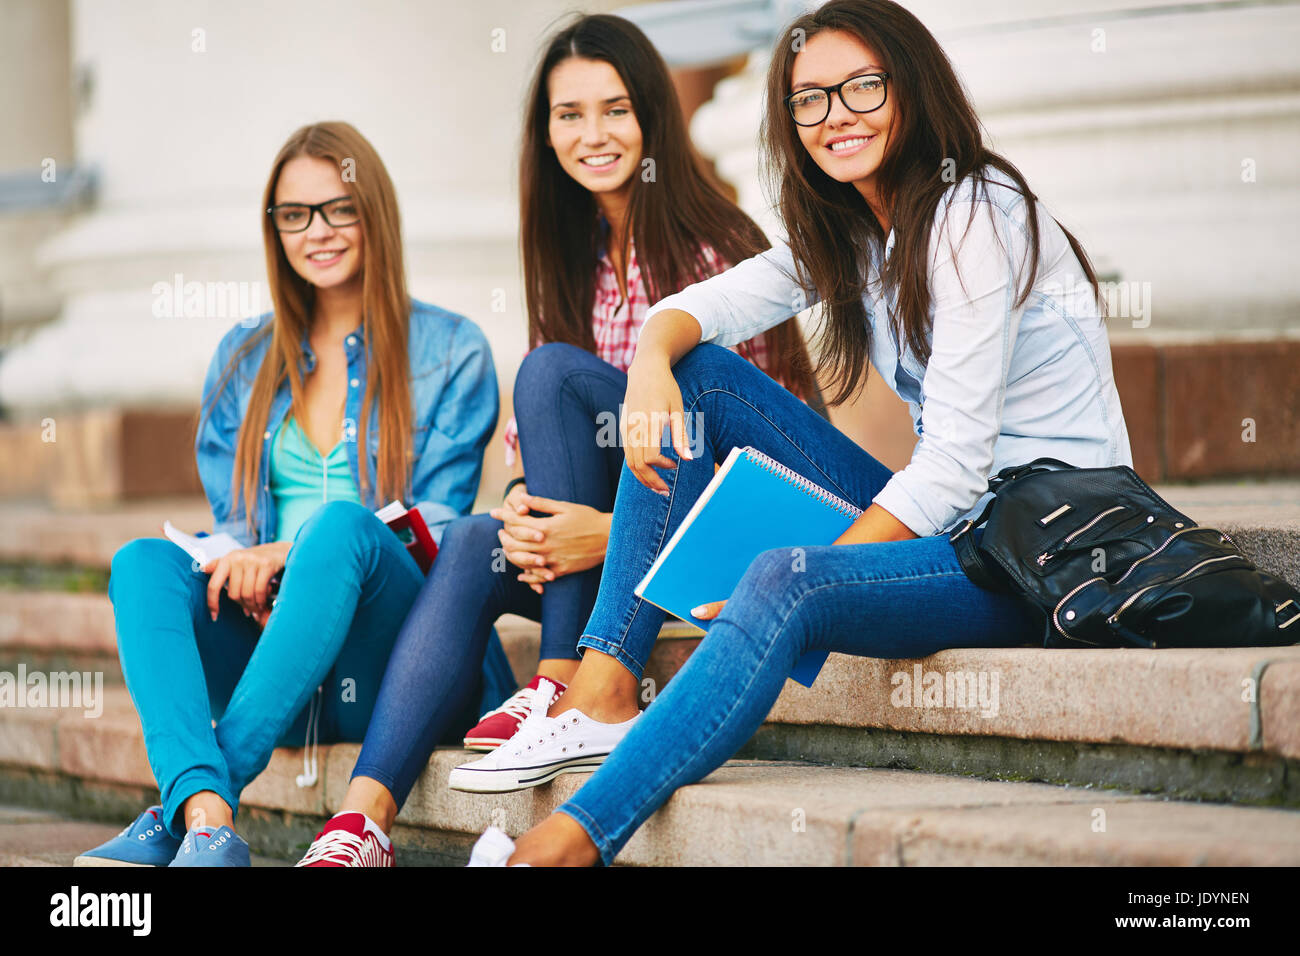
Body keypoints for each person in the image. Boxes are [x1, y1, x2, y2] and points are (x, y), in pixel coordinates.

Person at [464, 0, 1133, 865]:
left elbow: (958, 467)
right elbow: (708, 308)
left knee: (784, 578)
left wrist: (820, 567)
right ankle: (604, 681)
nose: (834, 116)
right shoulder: (859, 231)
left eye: (861, 87)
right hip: (959, 529)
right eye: (809, 99)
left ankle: (563, 846)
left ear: (912, 88)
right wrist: (649, 366)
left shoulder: (974, 213)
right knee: (697, 373)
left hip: (1031, 552)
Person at [294, 14, 818, 866]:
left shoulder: (718, 250)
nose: (592, 135)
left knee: (547, 371)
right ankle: (361, 825)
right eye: (569, 115)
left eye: (615, 110)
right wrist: (528, 516)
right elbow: (543, 453)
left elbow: (758, 478)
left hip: (708, 557)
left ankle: (556, 683)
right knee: (471, 540)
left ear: (653, 118)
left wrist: (606, 534)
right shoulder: (572, 253)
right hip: (605, 563)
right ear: (546, 133)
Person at [74, 121, 506, 867]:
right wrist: (245, 562)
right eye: (294, 214)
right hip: (277, 659)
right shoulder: (244, 355)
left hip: (394, 661)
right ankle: (209, 823)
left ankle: (192, 807)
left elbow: (437, 529)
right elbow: (233, 527)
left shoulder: (452, 349)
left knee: (341, 529)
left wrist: (294, 552)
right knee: (142, 562)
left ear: (375, 213)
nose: (318, 231)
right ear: (274, 228)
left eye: (339, 208)